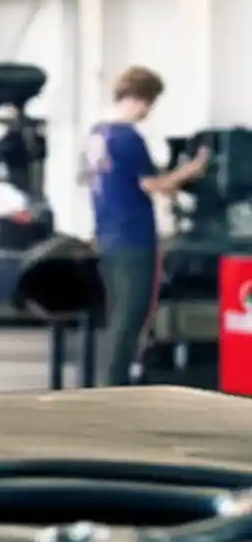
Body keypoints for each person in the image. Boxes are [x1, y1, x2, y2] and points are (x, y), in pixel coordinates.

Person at [82, 65, 208, 387]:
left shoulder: (97, 133)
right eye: (150, 104)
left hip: (106, 233)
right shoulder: (127, 136)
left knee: (117, 313)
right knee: (133, 313)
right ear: (140, 99)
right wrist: (191, 170)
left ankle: (112, 380)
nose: (148, 112)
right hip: (133, 236)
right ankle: (115, 385)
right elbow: (152, 184)